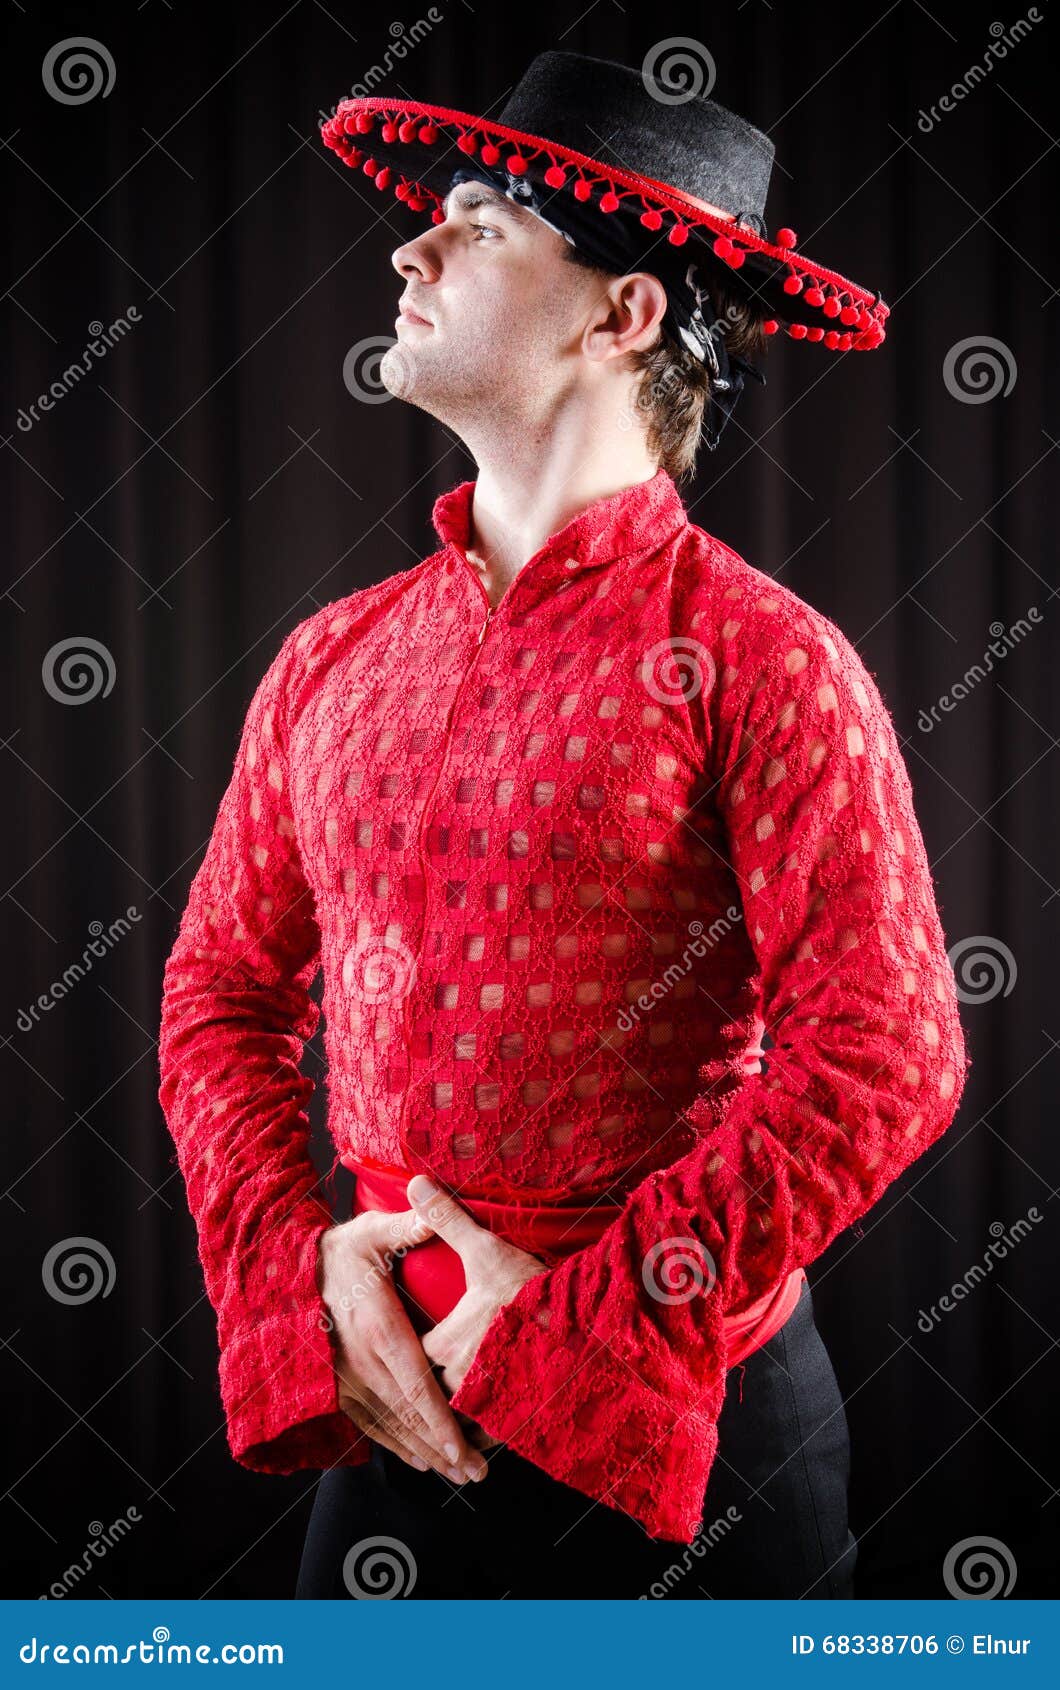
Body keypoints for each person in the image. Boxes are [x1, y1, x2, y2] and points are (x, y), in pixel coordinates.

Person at [158, 51, 969, 1600]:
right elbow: (218, 1000)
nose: (411, 251)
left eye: (479, 225)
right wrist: (304, 1272)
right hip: (393, 1413)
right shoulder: (329, 658)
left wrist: (602, 1319)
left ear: (624, 312)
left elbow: (888, 1045)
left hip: (699, 1433)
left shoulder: (764, 655)